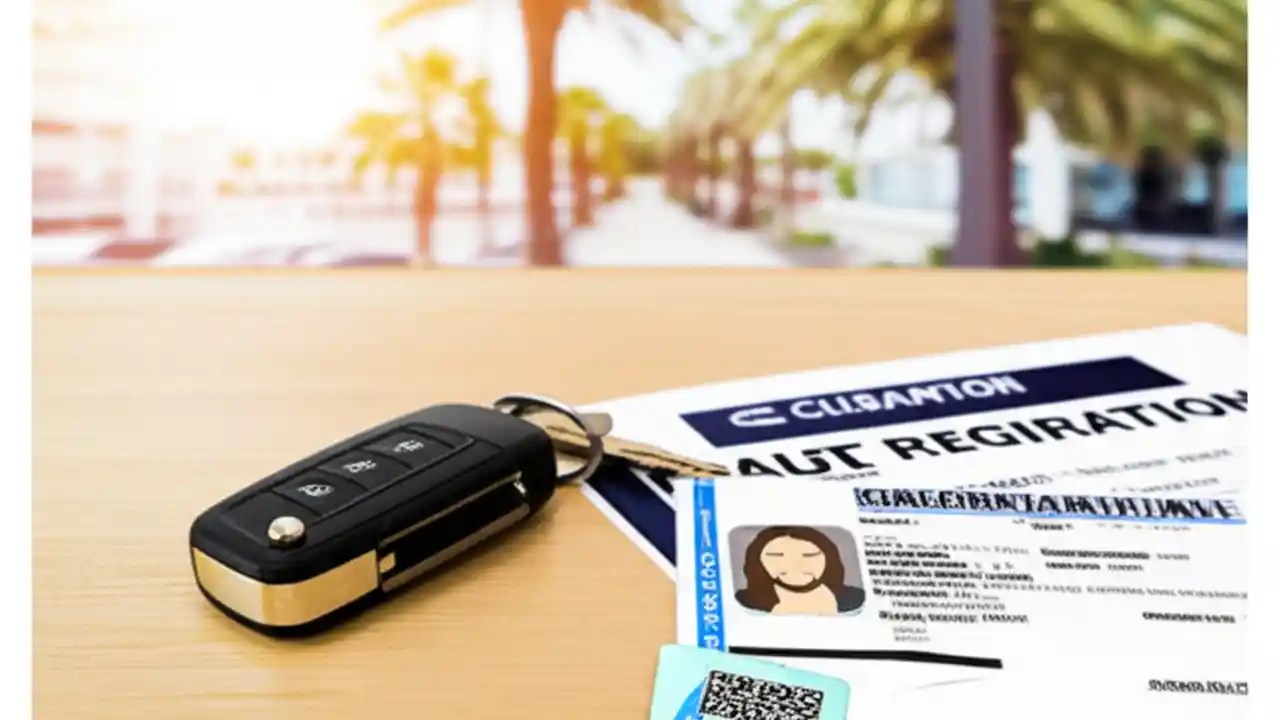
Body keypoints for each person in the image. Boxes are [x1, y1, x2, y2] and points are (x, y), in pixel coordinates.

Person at [735, 526, 865, 615]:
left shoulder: (855, 599)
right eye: (776, 556)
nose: (794, 564)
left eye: (809, 555)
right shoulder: (743, 602)